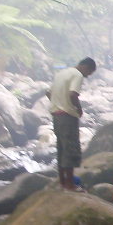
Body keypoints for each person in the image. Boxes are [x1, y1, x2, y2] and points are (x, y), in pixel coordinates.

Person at [47, 57, 96, 191]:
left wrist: (57, 103)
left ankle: (62, 182)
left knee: (61, 149)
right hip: (67, 116)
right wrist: (78, 109)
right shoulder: (77, 74)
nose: (87, 76)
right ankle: (70, 185)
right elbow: (73, 94)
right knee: (70, 150)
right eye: (89, 73)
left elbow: (48, 92)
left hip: (56, 116)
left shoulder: (62, 73)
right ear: (85, 67)